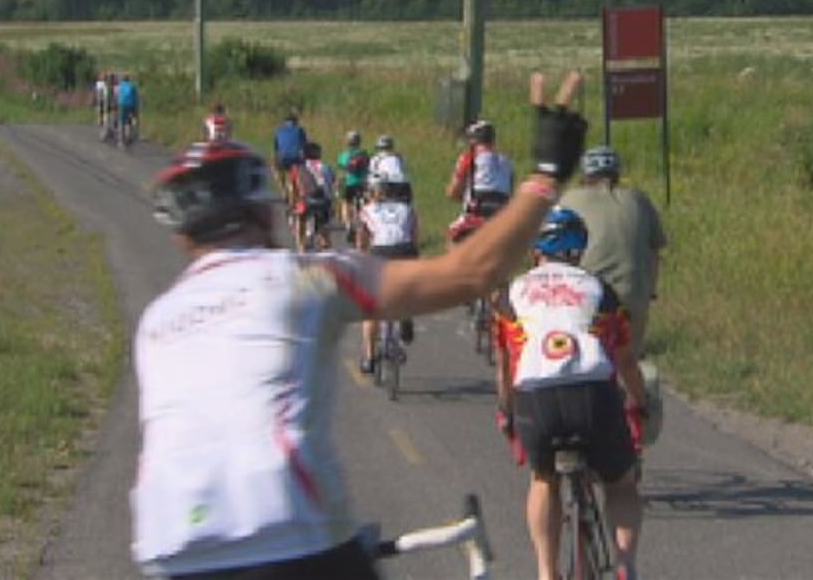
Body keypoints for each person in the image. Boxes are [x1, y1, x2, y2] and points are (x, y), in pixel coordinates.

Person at [132, 70, 587, 579]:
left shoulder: (156, 321)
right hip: (287, 522)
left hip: (167, 537)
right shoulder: (304, 278)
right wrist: (546, 174)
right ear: (263, 209)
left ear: (182, 234)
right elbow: (472, 272)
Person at [493, 206, 647, 580]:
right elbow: (625, 359)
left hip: (536, 397)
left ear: (535, 250)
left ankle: (547, 573)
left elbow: (506, 366)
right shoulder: (601, 291)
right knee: (621, 483)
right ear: (580, 249)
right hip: (594, 394)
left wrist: (506, 412)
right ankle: (625, 565)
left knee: (544, 478)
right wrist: (639, 400)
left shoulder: (510, 296)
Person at [560, 146, 667, 360]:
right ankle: (636, 388)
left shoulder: (570, 200)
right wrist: (649, 291)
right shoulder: (639, 200)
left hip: (586, 295)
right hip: (632, 295)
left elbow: (554, 249)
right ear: (617, 174)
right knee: (631, 356)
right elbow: (655, 250)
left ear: (585, 175)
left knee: (576, 355)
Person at [355, 170, 418, 374]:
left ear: (372, 192)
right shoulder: (407, 208)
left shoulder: (367, 210)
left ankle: (370, 357)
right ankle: (407, 314)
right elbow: (414, 237)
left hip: (380, 251)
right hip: (405, 250)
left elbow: (361, 242)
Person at [446, 119, 514, 248]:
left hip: (477, 212)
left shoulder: (469, 157)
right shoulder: (507, 162)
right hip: (501, 216)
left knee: (453, 235)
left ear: (473, 140)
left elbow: (452, 192)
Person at [290, 141, 336, 251]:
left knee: (300, 219)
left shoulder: (297, 168)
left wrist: (293, 203)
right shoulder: (326, 167)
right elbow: (332, 183)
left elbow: (294, 189)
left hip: (307, 202)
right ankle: (326, 246)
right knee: (323, 227)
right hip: (324, 202)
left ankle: (300, 246)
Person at [336, 131, 370, 243]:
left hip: (349, 184)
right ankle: (363, 224)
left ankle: (348, 225)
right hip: (362, 184)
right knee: (364, 205)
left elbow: (341, 170)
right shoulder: (365, 154)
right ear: (359, 142)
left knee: (345, 202)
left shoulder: (343, 155)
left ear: (347, 142)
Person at [272, 112, 308, 205]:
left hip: (283, 158)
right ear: (296, 122)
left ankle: (283, 189)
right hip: (296, 158)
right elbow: (305, 146)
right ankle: (293, 191)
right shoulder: (300, 130)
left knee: (276, 169)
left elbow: (276, 149)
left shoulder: (279, 131)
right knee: (294, 176)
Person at [367, 134, 411, 204]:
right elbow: (404, 170)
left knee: (374, 201)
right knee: (407, 207)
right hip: (403, 184)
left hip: (385, 184)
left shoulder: (376, 159)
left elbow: (372, 175)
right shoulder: (400, 158)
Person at [117, 73, 141, 145]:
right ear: (129, 79)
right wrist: (136, 106)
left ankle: (121, 139)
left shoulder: (120, 86)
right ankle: (128, 136)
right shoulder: (132, 86)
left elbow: (117, 95)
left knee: (122, 122)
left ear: (123, 79)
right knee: (129, 122)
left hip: (122, 105)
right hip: (131, 105)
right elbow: (136, 97)